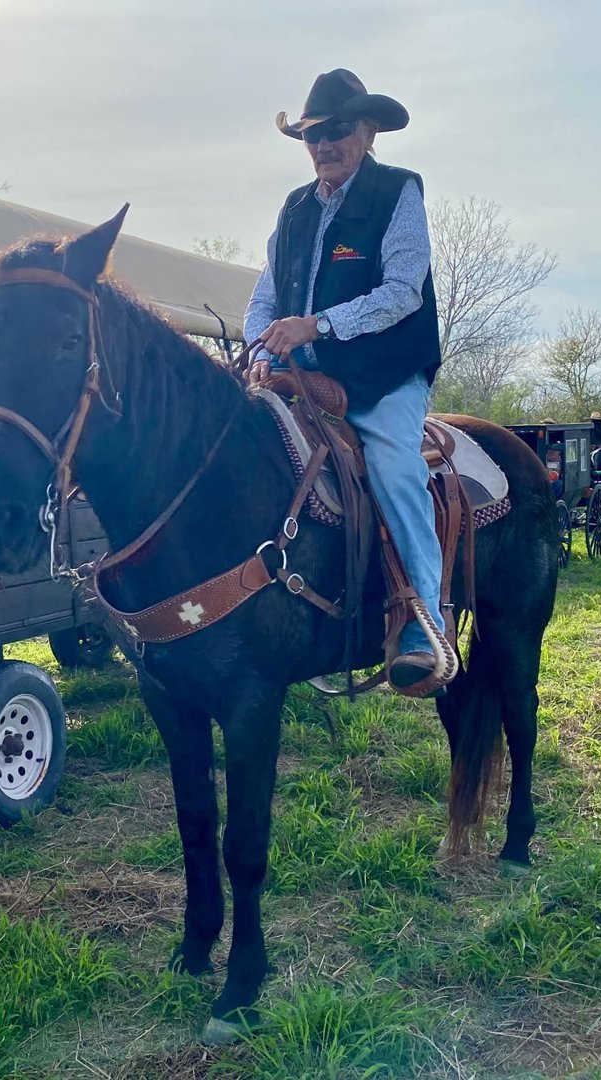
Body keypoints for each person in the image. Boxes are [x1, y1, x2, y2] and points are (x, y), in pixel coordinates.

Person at [243, 69, 445, 694]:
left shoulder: (397, 192)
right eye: (312, 135)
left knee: (393, 467)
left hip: (384, 376)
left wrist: (317, 326)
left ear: (368, 132)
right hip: (303, 376)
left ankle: (422, 622)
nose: (324, 145)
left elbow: (403, 291)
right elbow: (265, 294)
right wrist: (258, 345)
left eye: (336, 131)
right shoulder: (295, 209)